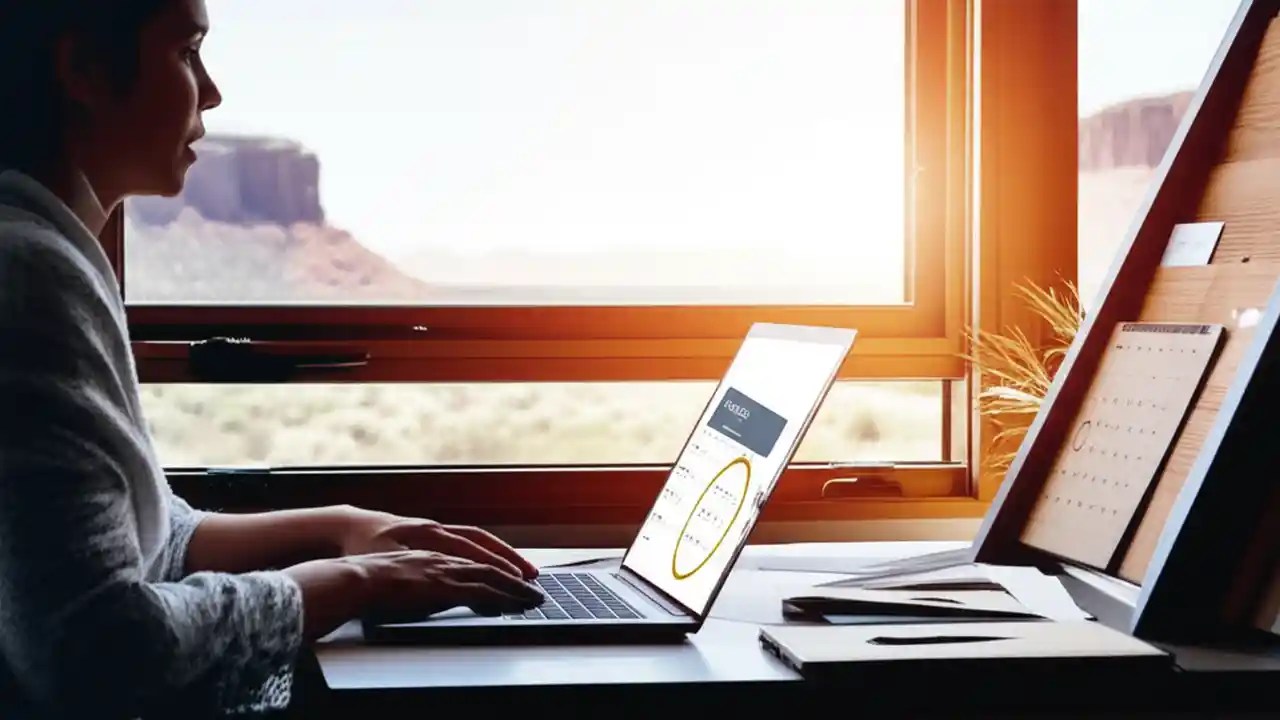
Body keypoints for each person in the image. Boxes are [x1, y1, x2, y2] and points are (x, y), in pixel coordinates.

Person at [0, 0, 546, 716]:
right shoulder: (27, 279)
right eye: (187, 50)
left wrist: (340, 525)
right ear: (85, 70)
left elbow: (150, 541)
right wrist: (352, 582)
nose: (214, 90)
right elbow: (100, 646)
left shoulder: (48, 251)